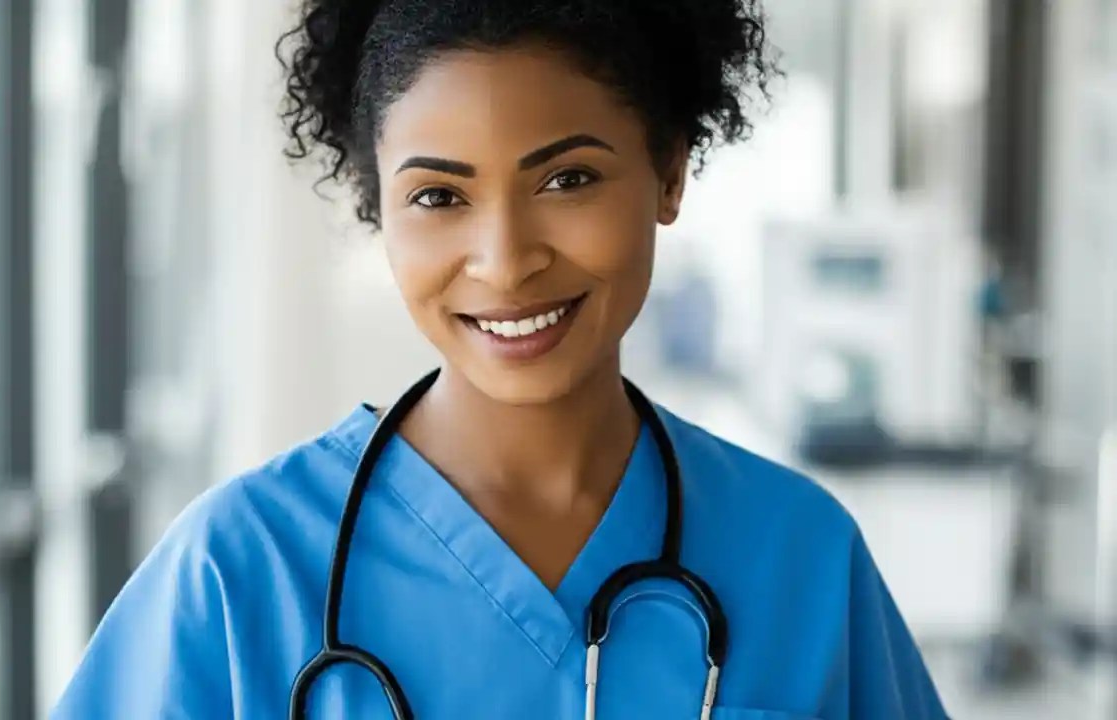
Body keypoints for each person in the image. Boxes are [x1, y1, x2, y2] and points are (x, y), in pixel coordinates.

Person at [52, 0, 950, 717]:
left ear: (669, 170)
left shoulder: (801, 556)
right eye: (438, 195)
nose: (506, 259)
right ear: (378, 207)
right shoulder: (240, 572)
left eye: (568, 180)